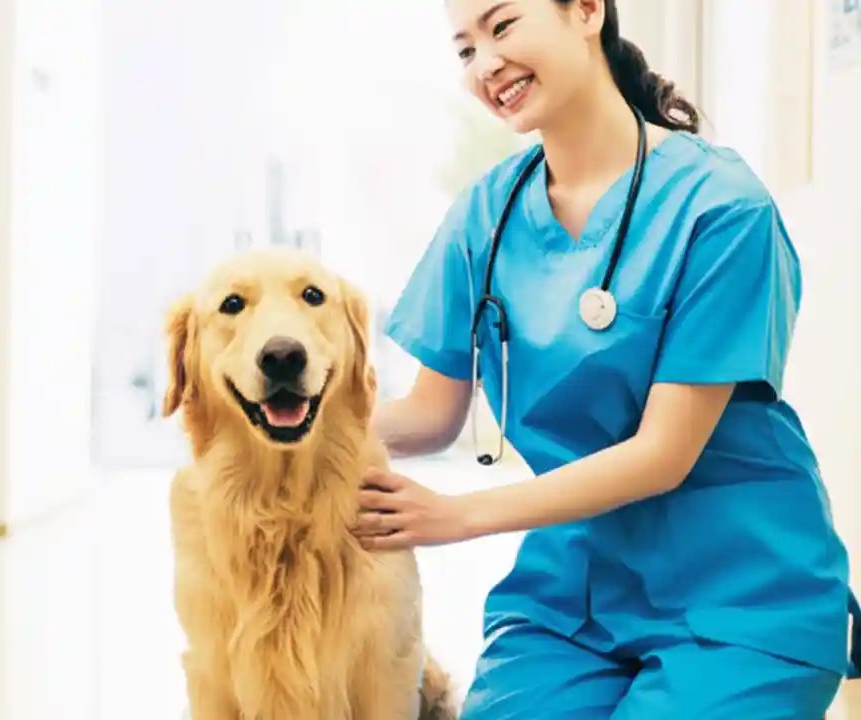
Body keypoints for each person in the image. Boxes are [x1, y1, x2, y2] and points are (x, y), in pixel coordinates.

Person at [349, 0, 861, 716]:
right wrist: (283, 429)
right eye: (464, 49)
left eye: (502, 26)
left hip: (741, 592)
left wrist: (458, 516)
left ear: (587, 10)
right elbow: (432, 414)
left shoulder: (720, 206)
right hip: (574, 597)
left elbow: (662, 455)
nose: (486, 64)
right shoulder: (486, 216)